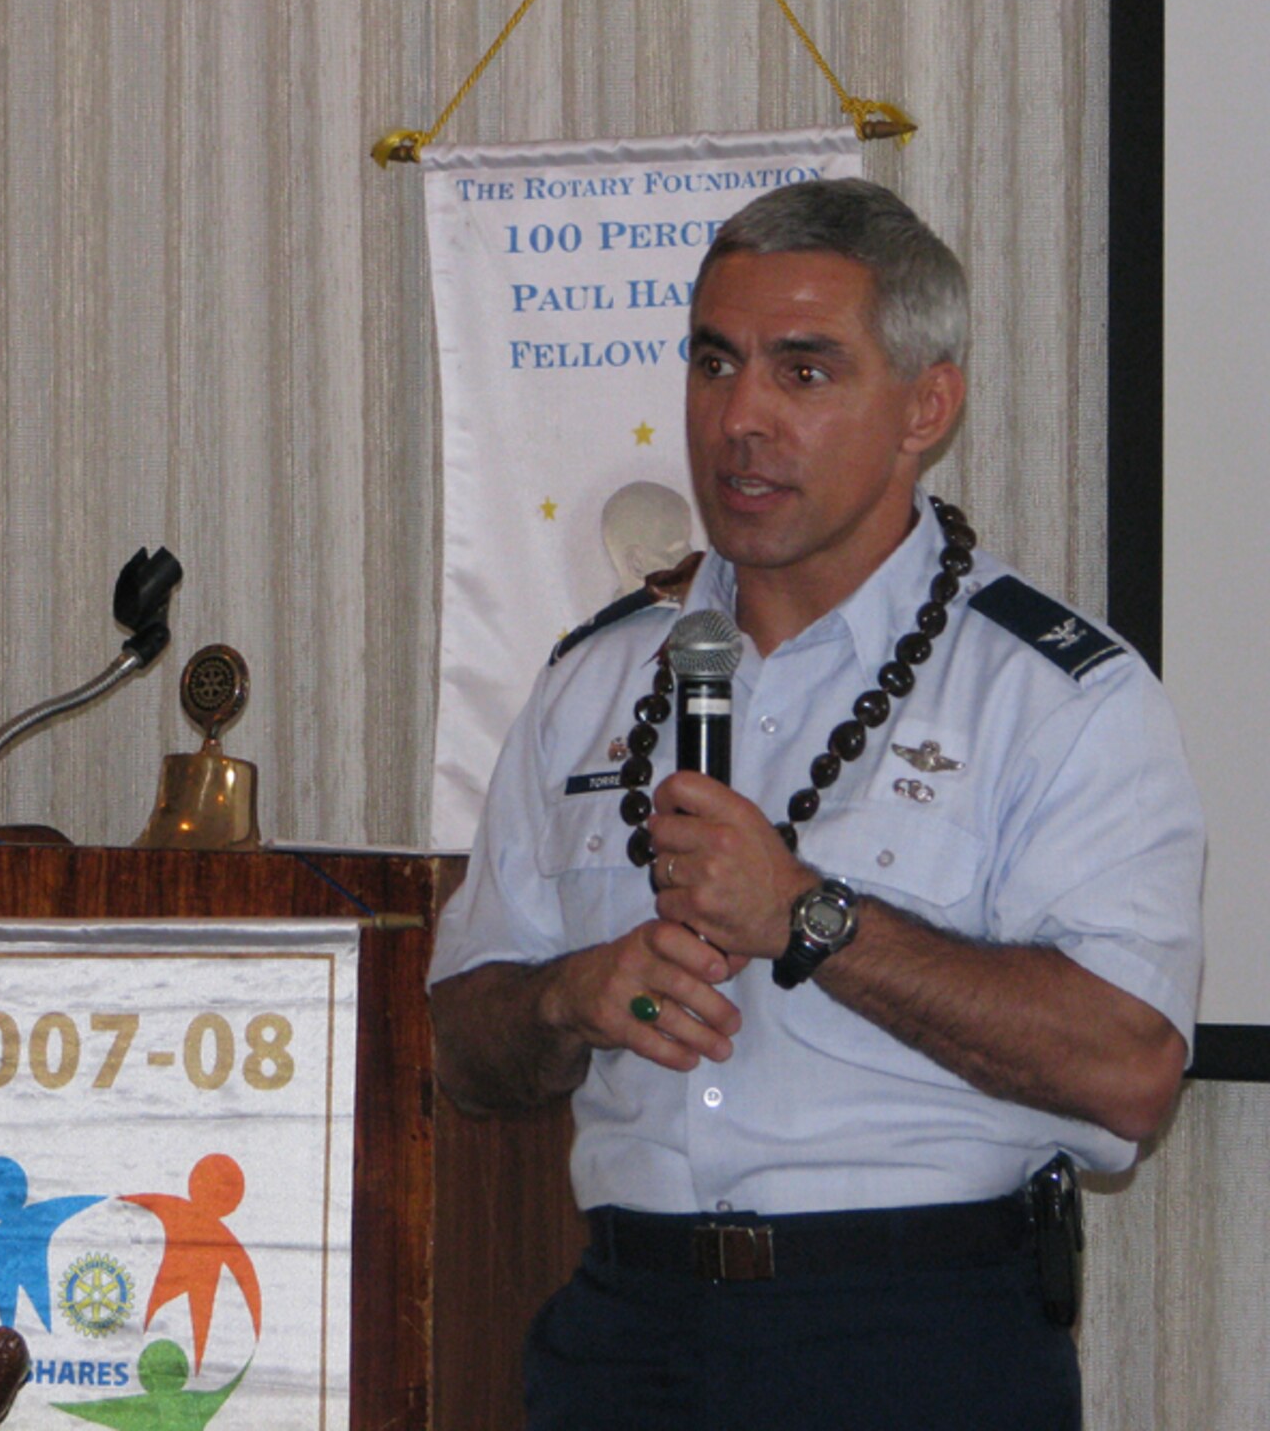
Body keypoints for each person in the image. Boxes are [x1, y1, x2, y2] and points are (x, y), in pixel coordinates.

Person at [427, 180, 1203, 1430]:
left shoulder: (1054, 694)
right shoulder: (591, 681)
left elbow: (1128, 1070)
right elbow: (460, 1048)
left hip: (914, 1341)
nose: (739, 420)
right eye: (713, 363)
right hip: (624, 1339)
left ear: (925, 406)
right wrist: (564, 997)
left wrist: (807, 918)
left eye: (802, 373)